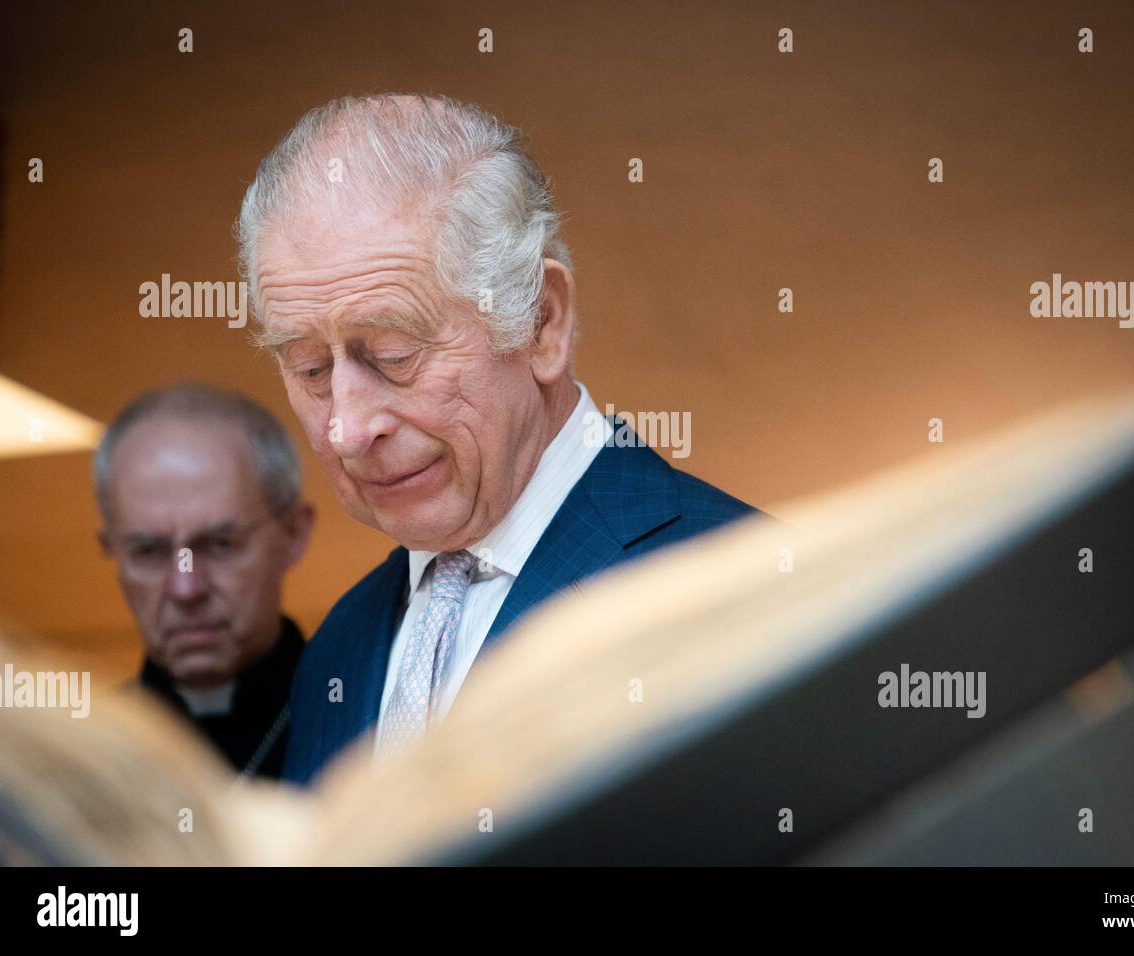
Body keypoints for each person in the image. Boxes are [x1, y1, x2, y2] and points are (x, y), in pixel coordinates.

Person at [235, 93, 761, 785]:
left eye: (394, 355)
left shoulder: (737, 591)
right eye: (309, 369)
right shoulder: (338, 648)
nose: (348, 428)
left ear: (541, 322)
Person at [94, 384, 315, 778]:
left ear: (294, 535)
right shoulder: (80, 763)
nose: (186, 589)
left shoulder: (371, 720)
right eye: (148, 551)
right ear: (112, 551)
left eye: (219, 544)